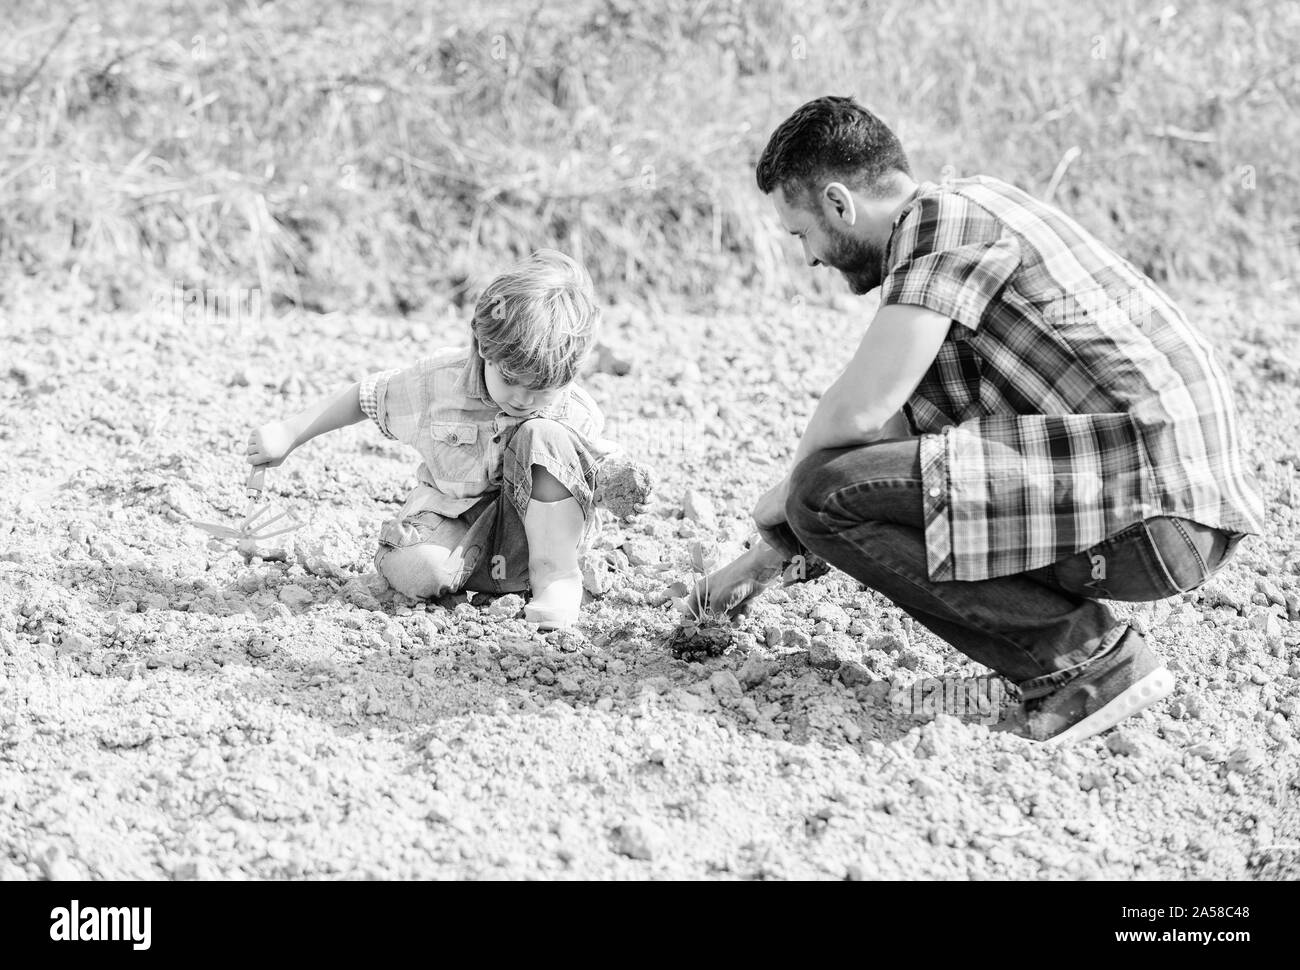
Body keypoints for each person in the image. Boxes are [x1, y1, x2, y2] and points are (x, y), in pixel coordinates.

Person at [690, 96, 1264, 744]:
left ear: (839, 204)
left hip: (1155, 511)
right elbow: (888, 443)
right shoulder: (970, 220)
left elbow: (859, 411)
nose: (810, 260)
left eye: (802, 235)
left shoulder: (940, 223)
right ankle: (1085, 658)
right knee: (826, 493)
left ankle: (1090, 664)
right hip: (1175, 517)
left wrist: (787, 500)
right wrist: (756, 565)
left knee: (821, 493)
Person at [245, 249, 646, 630]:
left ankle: (555, 580)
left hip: (535, 539)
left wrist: (618, 485)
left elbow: (594, 474)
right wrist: (288, 433)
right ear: (482, 346)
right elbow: (366, 397)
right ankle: (491, 581)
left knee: (542, 433)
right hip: (458, 526)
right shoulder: (436, 384)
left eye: (542, 389)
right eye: (510, 380)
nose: (524, 398)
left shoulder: (576, 411)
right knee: (421, 571)